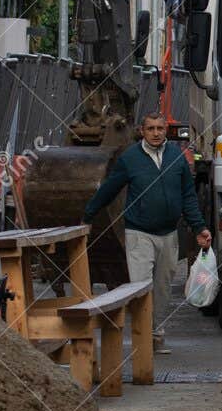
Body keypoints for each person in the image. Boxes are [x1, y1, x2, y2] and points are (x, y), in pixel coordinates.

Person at [82, 113, 212, 352]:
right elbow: (109, 189)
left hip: (169, 233)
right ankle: (143, 340)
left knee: (162, 288)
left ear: (165, 131)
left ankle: (156, 334)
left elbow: (188, 196)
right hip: (138, 233)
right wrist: (88, 216)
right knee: (141, 286)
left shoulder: (176, 157)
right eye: (150, 128)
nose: (155, 133)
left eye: (160, 128)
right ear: (142, 131)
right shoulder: (130, 158)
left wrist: (199, 227)